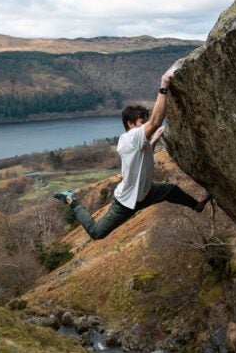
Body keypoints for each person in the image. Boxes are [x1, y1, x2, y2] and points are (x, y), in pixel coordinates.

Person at [53, 69, 210, 240]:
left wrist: (153, 142)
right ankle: (71, 200)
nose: (145, 126)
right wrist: (164, 86)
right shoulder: (132, 137)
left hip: (146, 192)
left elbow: (140, 156)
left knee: (171, 190)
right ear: (130, 123)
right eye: (142, 122)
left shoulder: (135, 140)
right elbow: (156, 121)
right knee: (97, 233)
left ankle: (197, 206)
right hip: (126, 202)